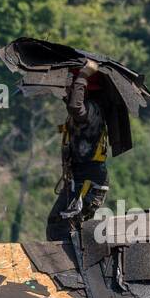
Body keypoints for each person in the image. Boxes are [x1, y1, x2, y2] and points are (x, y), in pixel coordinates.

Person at [46, 59, 110, 240]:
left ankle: (70, 268)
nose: (68, 90)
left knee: (63, 227)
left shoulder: (90, 111)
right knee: (58, 225)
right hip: (80, 181)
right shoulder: (90, 109)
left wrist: (83, 75)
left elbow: (75, 106)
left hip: (88, 184)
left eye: (73, 87)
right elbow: (71, 101)